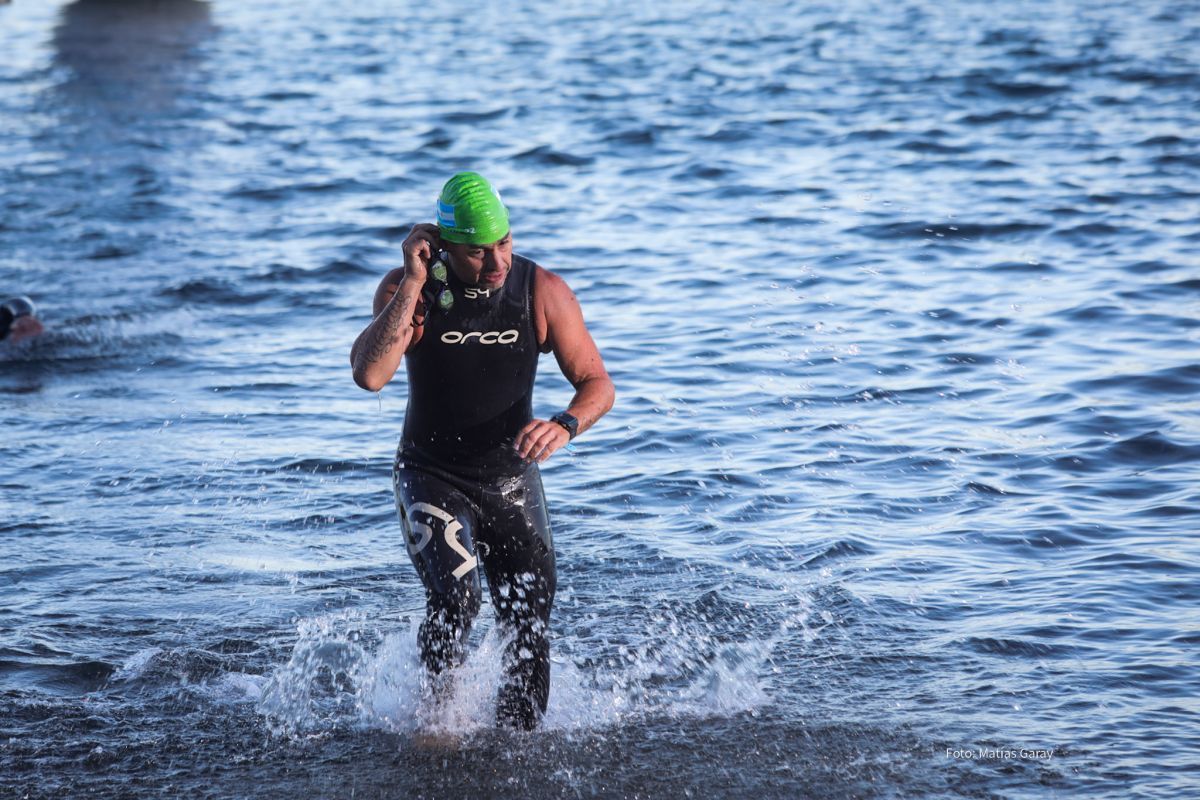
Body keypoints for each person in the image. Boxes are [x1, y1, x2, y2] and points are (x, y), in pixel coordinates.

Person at [350, 172, 615, 730]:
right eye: (477, 252)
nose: (496, 263)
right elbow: (370, 375)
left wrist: (566, 424)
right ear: (443, 245)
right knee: (457, 600)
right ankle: (435, 725)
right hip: (431, 474)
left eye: (504, 243)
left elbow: (597, 383)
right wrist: (415, 281)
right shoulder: (409, 291)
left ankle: (518, 747)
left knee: (529, 621)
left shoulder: (541, 291)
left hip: (511, 481)